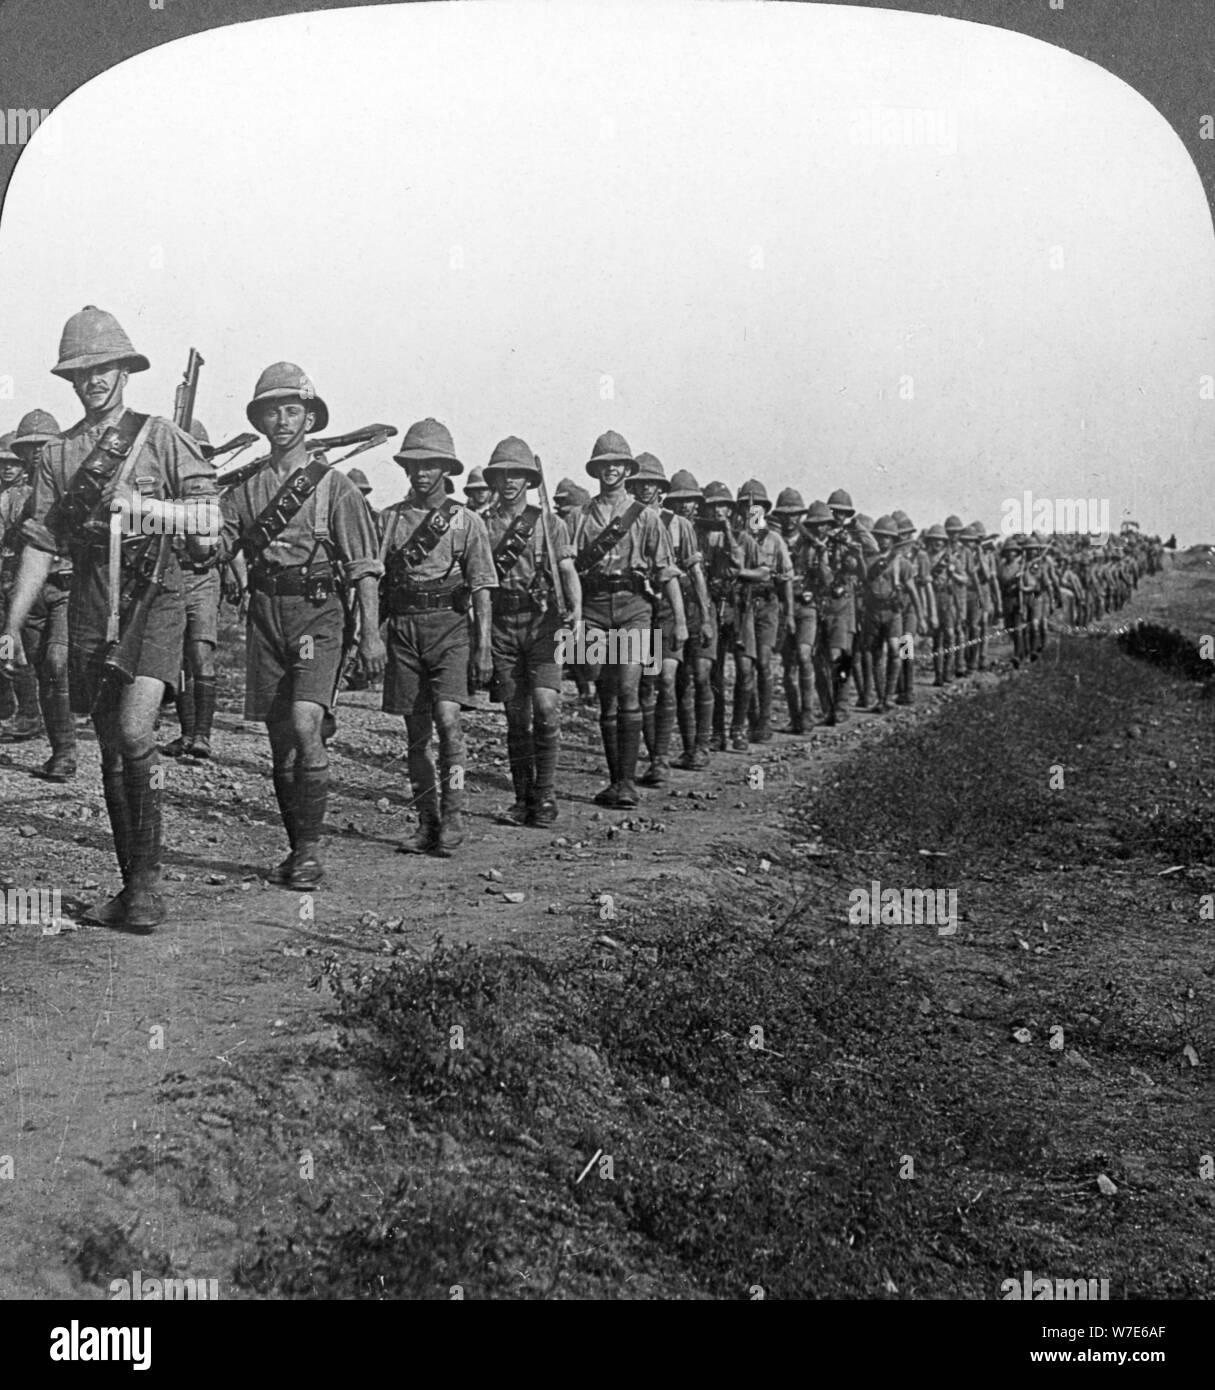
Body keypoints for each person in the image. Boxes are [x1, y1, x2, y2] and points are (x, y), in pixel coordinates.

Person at [3, 306, 219, 930]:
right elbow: (41, 545)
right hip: (94, 598)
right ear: (71, 380)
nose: (93, 379)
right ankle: (134, 887)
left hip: (156, 594)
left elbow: (211, 521)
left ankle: (148, 885)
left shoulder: (160, 437)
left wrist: (148, 506)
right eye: (82, 371)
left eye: (103, 368)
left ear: (124, 370)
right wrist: (13, 624)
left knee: (132, 731)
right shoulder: (60, 455)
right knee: (109, 747)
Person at [212, 362, 385, 889]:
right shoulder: (244, 489)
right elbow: (220, 544)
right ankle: (294, 847)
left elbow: (363, 569)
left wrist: (371, 635)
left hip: (317, 613)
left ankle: (309, 852)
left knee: (305, 724)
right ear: (260, 420)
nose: (282, 420)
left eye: (293, 410)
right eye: (272, 411)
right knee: (281, 739)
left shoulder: (335, 489)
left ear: (309, 418)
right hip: (265, 615)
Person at [379, 418, 496, 854]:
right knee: (416, 735)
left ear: (446, 468)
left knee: (449, 723)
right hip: (405, 631)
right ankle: (426, 819)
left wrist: (483, 647)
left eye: (431, 465)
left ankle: (455, 813)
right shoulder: (390, 520)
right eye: (414, 465)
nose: (422, 473)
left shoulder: (466, 523)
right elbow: (374, 580)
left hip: (450, 628)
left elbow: (482, 587)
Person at [568, 431, 683, 807]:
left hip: (635, 607)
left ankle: (628, 784)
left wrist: (679, 620)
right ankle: (615, 779)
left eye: (618, 464)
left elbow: (666, 572)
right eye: (605, 464)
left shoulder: (647, 517)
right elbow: (565, 569)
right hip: (593, 608)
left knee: (630, 688)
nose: (611, 470)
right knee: (604, 695)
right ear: (596, 470)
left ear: (627, 469)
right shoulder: (578, 516)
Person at [482, 435, 581, 826]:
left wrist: (576, 609)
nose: (509, 482)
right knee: (515, 715)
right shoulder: (483, 524)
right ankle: (522, 797)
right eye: (502, 475)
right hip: (503, 627)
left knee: (546, 707)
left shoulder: (548, 523)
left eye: (517, 475)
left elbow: (567, 569)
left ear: (528, 479)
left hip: (543, 625)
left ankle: (545, 794)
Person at [628, 452, 710, 784]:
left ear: (660, 487)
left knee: (666, 679)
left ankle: (662, 757)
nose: (645, 488)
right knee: (644, 686)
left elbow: (695, 571)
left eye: (651, 483)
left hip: (670, 611)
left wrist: (703, 616)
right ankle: (655, 756)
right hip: (638, 608)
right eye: (640, 483)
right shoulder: (625, 519)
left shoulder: (680, 524)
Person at [4, 410, 76, 776]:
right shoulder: (11, 498)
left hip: (66, 586)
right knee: (38, 670)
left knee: (56, 663)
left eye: (42, 446)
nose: (36, 454)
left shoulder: (74, 487)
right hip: (27, 594)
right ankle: (57, 747)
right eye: (29, 447)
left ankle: (66, 752)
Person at [163, 418, 222, 758]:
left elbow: (219, 544)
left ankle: (203, 735)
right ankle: (187, 734)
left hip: (201, 578)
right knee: (180, 660)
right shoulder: (162, 489)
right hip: (171, 576)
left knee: (200, 654)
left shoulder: (216, 492)